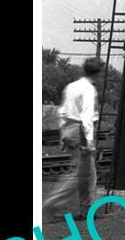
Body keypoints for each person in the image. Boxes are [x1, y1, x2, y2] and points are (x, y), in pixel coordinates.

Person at [44, 57, 104, 220]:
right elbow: (87, 116)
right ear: (98, 73)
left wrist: (63, 133)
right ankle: (51, 204)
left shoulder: (71, 86)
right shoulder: (89, 90)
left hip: (69, 129)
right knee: (79, 174)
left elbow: (62, 112)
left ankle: (87, 210)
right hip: (80, 131)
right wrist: (89, 141)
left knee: (88, 173)